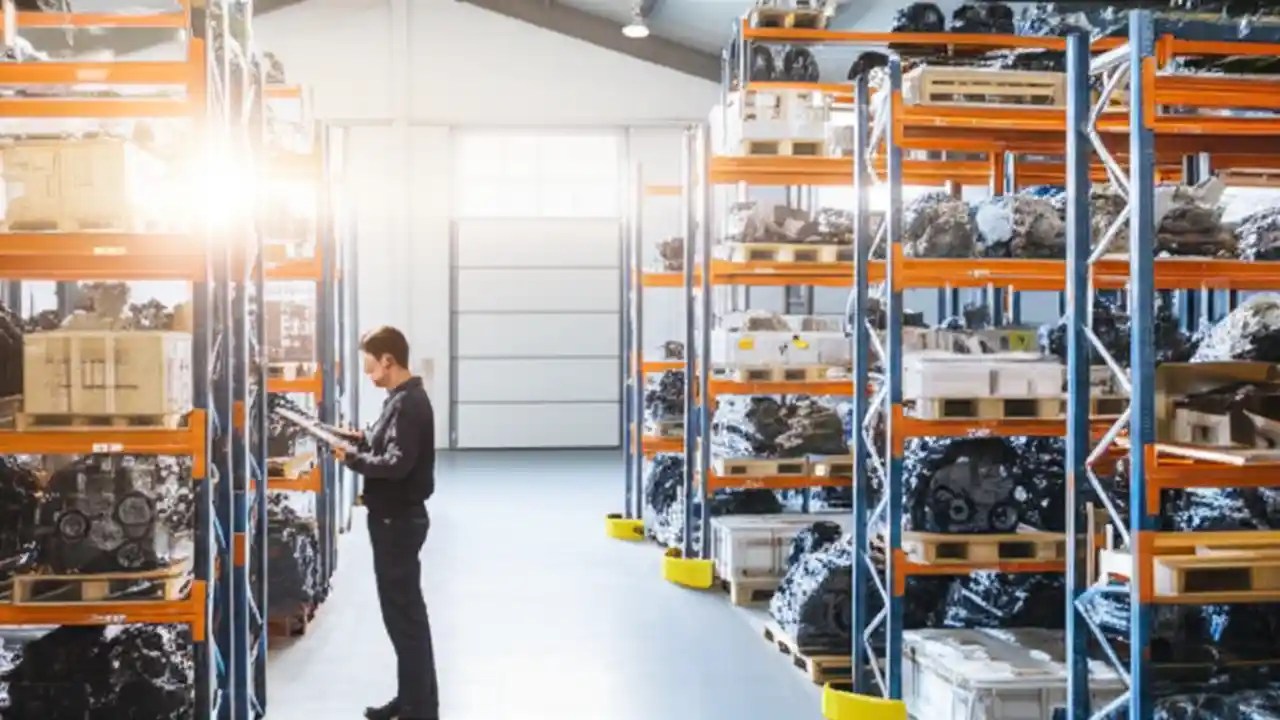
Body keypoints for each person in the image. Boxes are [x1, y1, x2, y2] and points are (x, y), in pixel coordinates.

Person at [333, 326, 440, 720]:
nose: (368, 373)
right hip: (394, 520)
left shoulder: (409, 404)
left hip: (397, 521)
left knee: (405, 618)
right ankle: (413, 699)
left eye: (370, 365)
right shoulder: (399, 400)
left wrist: (352, 460)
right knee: (404, 616)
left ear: (388, 361)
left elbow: (396, 465)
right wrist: (360, 439)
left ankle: (418, 707)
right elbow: (388, 444)